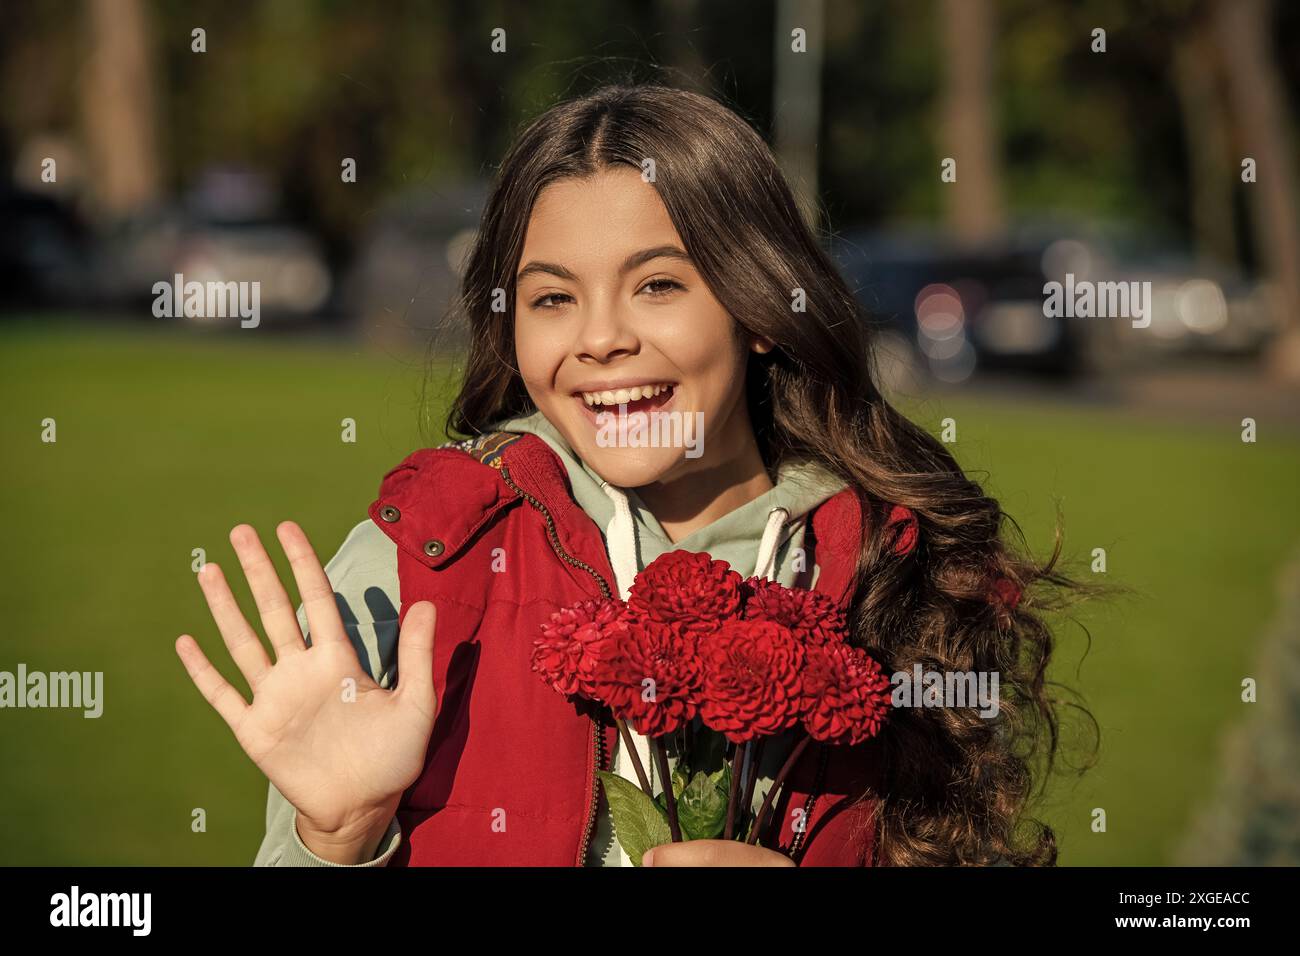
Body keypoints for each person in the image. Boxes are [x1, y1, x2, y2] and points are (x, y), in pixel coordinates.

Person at [175, 83, 1088, 867]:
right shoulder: (412, 567)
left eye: (658, 284)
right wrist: (337, 839)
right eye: (553, 298)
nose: (600, 337)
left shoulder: (892, 569)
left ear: (759, 304)